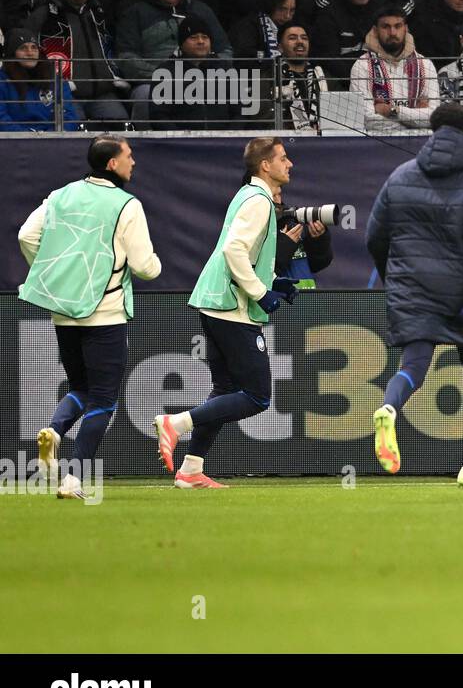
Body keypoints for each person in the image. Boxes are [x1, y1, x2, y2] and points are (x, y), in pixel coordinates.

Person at [367, 103, 463, 497]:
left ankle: (390, 408)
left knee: (414, 365)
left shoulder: (400, 175)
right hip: (462, 294)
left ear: (432, 131)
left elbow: (373, 238)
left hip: (412, 291)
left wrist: (396, 281)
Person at [19, 136, 161, 500]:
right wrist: (153, 266)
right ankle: (73, 479)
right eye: (128, 156)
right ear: (112, 164)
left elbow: (26, 235)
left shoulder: (61, 194)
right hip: (105, 313)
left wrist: (59, 278)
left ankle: (54, 430)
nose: (133, 162)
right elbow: (145, 266)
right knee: (104, 399)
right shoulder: (126, 204)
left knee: (81, 388)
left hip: (64, 313)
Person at [154, 137, 300, 490]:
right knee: (256, 396)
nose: (289, 163)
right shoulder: (260, 201)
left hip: (215, 299)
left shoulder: (249, 195)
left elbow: (241, 253)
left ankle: (190, 469)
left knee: (225, 390)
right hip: (230, 305)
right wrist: (260, 292)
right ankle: (176, 424)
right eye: (282, 157)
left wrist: (273, 281)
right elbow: (235, 251)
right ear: (265, 165)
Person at [350, 7, 439, 133]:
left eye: (398, 26)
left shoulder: (425, 64)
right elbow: (366, 119)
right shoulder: (362, 65)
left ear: (406, 29)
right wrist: (415, 121)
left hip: (418, 143)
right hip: (378, 144)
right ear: (375, 31)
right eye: (385, 27)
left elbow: (434, 117)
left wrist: (391, 111)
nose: (392, 32)